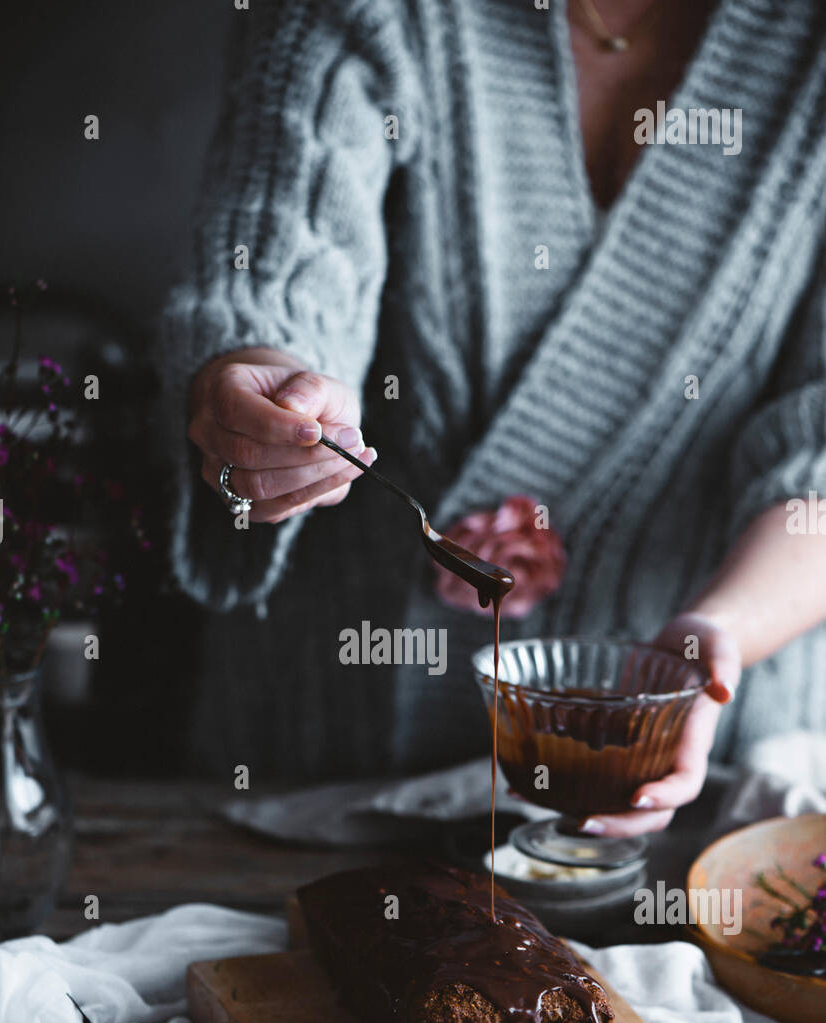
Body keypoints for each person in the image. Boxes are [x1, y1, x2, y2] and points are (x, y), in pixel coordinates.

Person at [161, 0, 826, 837]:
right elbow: (278, 266)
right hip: (335, 751)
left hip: (706, 781)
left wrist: (717, 631)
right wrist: (263, 399)